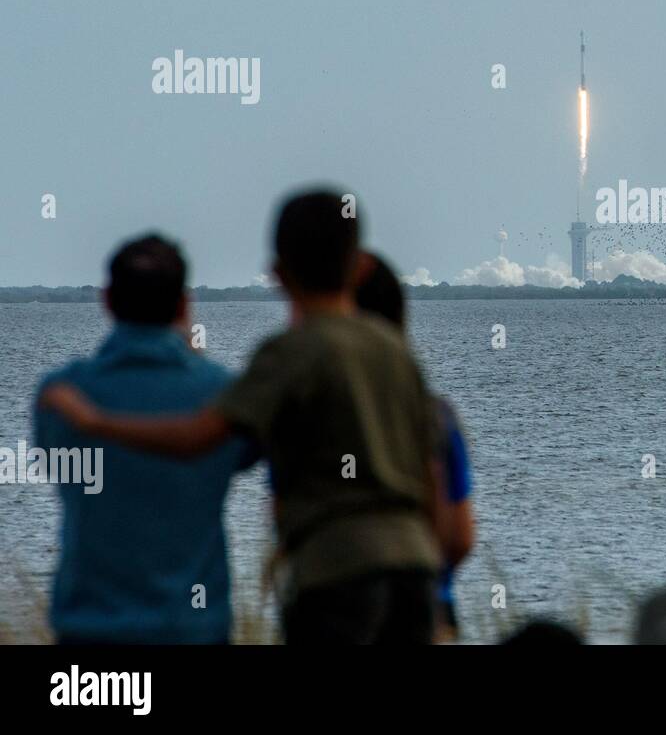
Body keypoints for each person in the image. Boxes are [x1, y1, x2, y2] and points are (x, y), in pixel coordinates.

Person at [41, 190, 444, 644]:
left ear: (276, 274)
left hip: (336, 571)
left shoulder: (289, 353)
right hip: (414, 568)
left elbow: (201, 436)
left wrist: (97, 423)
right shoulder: (397, 352)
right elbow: (430, 472)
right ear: (360, 266)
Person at [32, 235, 254, 644]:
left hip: (90, 632)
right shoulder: (223, 396)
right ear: (184, 305)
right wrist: (191, 359)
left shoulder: (61, 397)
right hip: (193, 629)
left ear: (108, 301)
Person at [354, 252, 475, 641]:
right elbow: (459, 538)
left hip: (334, 612)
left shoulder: (309, 416)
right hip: (427, 608)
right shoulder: (435, 416)